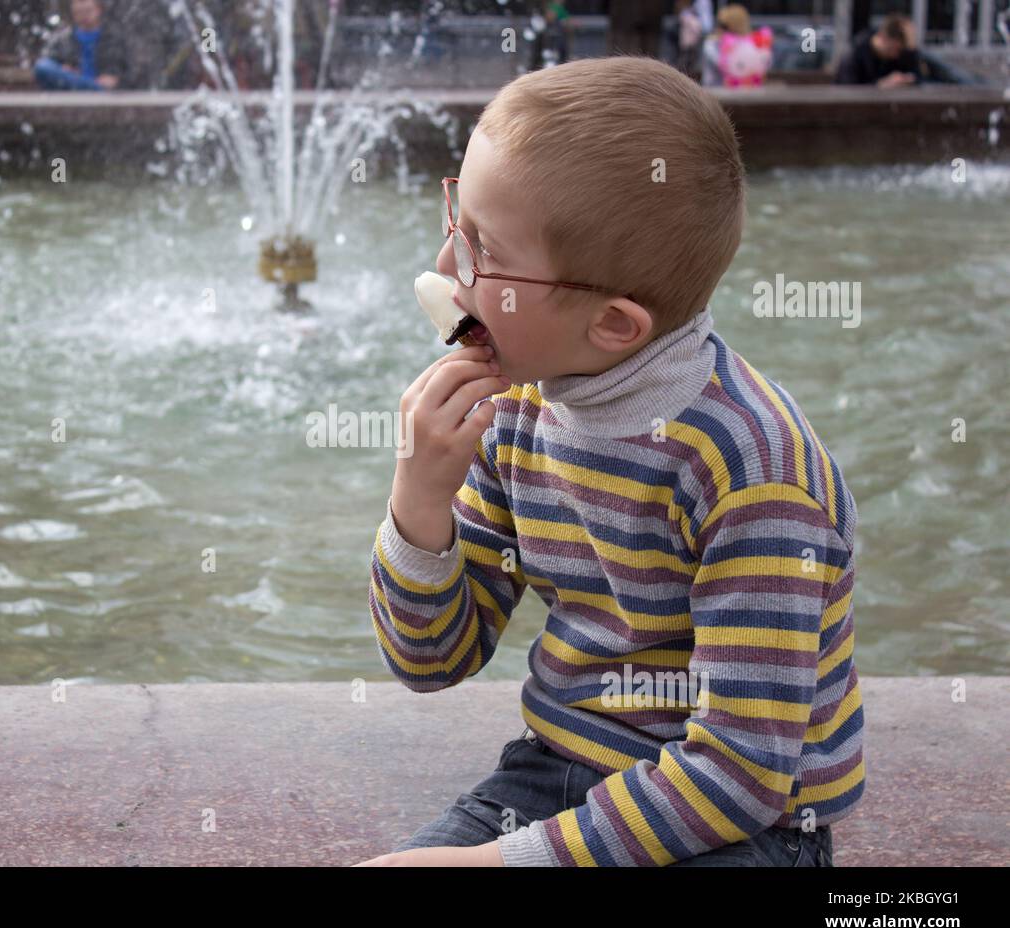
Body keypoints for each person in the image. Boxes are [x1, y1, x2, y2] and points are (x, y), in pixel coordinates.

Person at [359, 57, 862, 866]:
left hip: (744, 826)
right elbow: (433, 659)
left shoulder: (754, 474)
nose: (448, 266)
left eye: (483, 250)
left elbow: (741, 774)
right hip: (555, 773)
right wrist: (419, 500)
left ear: (613, 326)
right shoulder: (518, 410)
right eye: (458, 223)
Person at [34, 0, 128, 91]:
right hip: (71, 91)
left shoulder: (114, 38)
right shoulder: (62, 39)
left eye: (88, 11)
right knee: (43, 67)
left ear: (99, 10)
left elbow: (128, 68)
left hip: (105, 93)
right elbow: (48, 64)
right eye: (78, 12)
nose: (83, 15)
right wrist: (63, 69)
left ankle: (92, 89)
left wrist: (116, 78)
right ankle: (93, 89)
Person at [835, 12, 920, 88]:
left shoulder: (901, 55)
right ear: (884, 37)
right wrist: (880, 85)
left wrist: (907, 80)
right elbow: (846, 90)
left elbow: (919, 78)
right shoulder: (854, 53)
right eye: (896, 49)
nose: (897, 55)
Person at [701, 4, 772, 87]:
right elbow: (722, 64)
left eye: (724, 26)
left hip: (744, 92)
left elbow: (762, 64)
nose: (720, 29)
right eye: (721, 25)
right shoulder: (712, 44)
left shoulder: (747, 44)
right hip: (715, 91)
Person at [674, 0, 703, 80]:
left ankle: (684, 74)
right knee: (687, 59)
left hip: (688, 41)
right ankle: (683, 74)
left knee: (688, 59)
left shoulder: (686, 14)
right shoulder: (688, 15)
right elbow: (697, 27)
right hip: (689, 41)